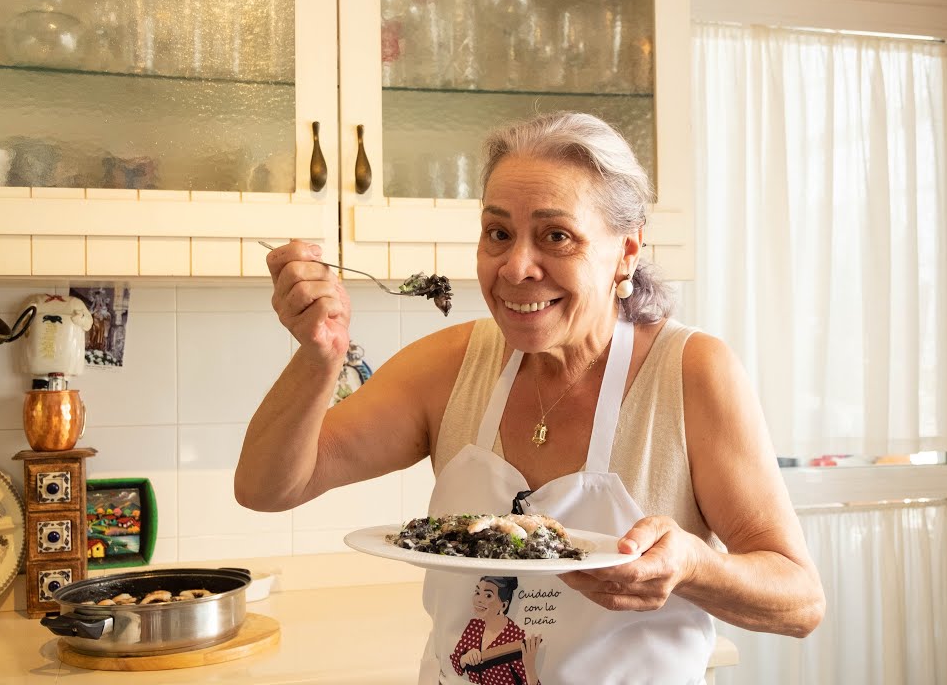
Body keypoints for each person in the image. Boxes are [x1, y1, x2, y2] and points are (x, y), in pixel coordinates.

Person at [236, 111, 824, 683]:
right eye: (498, 234)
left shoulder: (691, 373)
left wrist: (694, 566)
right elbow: (267, 487)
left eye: (556, 236)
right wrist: (320, 355)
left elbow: (800, 601)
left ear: (626, 251)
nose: (516, 267)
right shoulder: (450, 365)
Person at [450, 576, 541, 685]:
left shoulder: (515, 638)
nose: (479, 599)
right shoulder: (474, 626)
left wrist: (530, 667)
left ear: (503, 605)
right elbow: (454, 663)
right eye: (477, 592)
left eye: (488, 595)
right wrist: (464, 659)